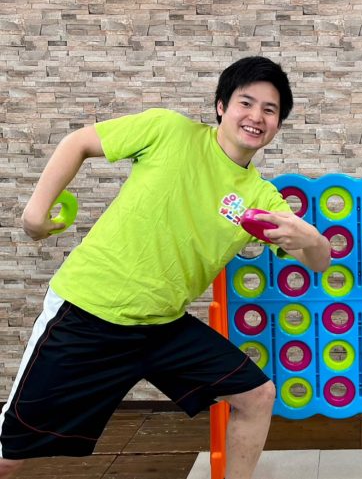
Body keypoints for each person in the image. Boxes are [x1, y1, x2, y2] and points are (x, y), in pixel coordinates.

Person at [0, 56, 331, 479]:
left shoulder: (261, 199)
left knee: (257, 395)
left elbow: (318, 263)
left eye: (270, 110)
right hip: (87, 313)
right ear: (220, 106)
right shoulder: (168, 131)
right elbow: (78, 142)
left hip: (161, 326)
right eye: (246, 103)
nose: (256, 117)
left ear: (278, 125)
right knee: (10, 456)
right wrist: (34, 213)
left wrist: (313, 240)